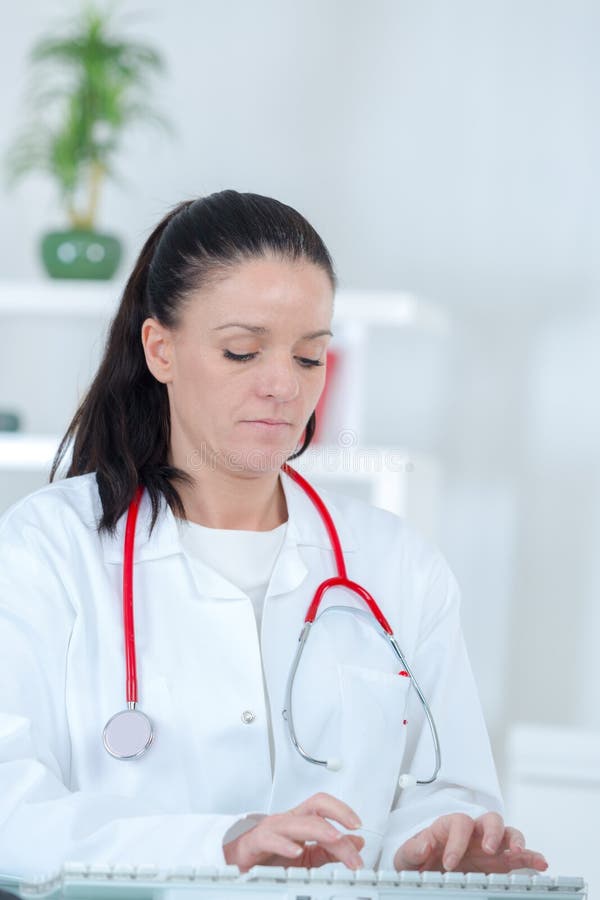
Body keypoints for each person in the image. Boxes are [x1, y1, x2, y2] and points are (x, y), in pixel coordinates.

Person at [0, 191, 546, 878]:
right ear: (160, 349)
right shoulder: (48, 550)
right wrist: (218, 846)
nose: (283, 386)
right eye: (241, 351)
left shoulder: (398, 566)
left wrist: (435, 848)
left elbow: (446, 791)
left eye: (310, 357)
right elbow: (10, 810)